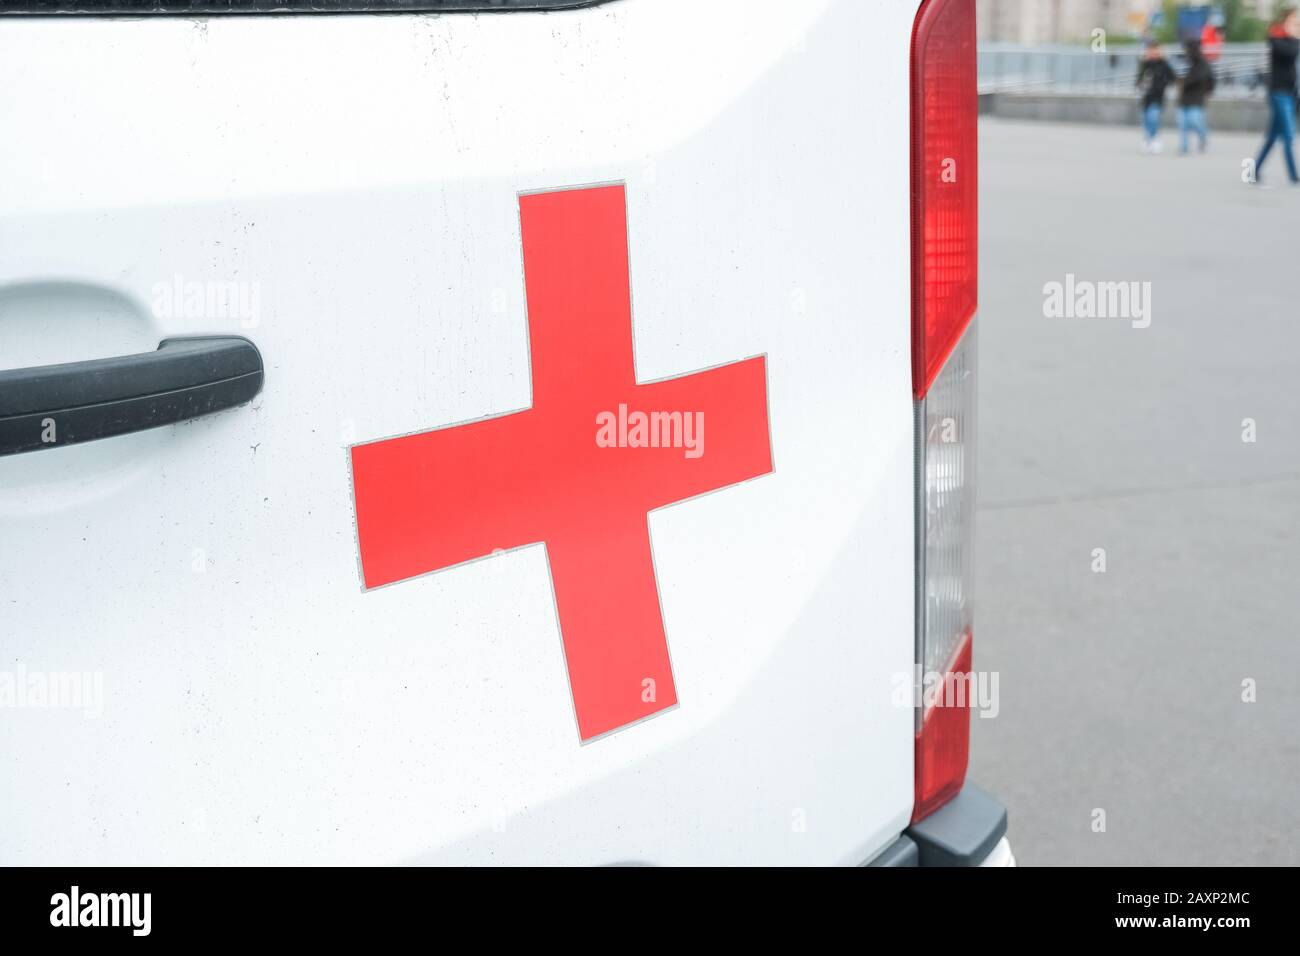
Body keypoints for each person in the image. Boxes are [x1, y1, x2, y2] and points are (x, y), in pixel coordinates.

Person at [1256, 6, 1300, 186]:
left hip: (1290, 93)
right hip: (1278, 93)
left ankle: (1255, 169)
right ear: (1285, 21)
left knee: (1272, 137)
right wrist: (1294, 35)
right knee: (1289, 135)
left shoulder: (1291, 40)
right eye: (1294, 20)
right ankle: (1294, 176)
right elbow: (1290, 53)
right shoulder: (1276, 38)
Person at [1177, 40, 1216, 155]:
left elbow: (1209, 80)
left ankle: (1203, 136)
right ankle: (1184, 147)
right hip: (1184, 97)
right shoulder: (1187, 63)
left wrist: (1208, 92)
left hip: (1196, 97)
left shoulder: (1203, 64)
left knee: (1194, 120)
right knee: (1183, 123)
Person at [1136, 43, 1176, 153]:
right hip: (1145, 97)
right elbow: (1139, 79)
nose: (1152, 54)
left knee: (1153, 117)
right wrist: (1139, 85)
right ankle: (1148, 139)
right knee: (1146, 120)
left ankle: (1154, 139)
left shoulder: (1164, 64)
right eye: (1150, 51)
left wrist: (1164, 84)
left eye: (1154, 51)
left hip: (1158, 97)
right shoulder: (1144, 64)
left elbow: (1172, 78)